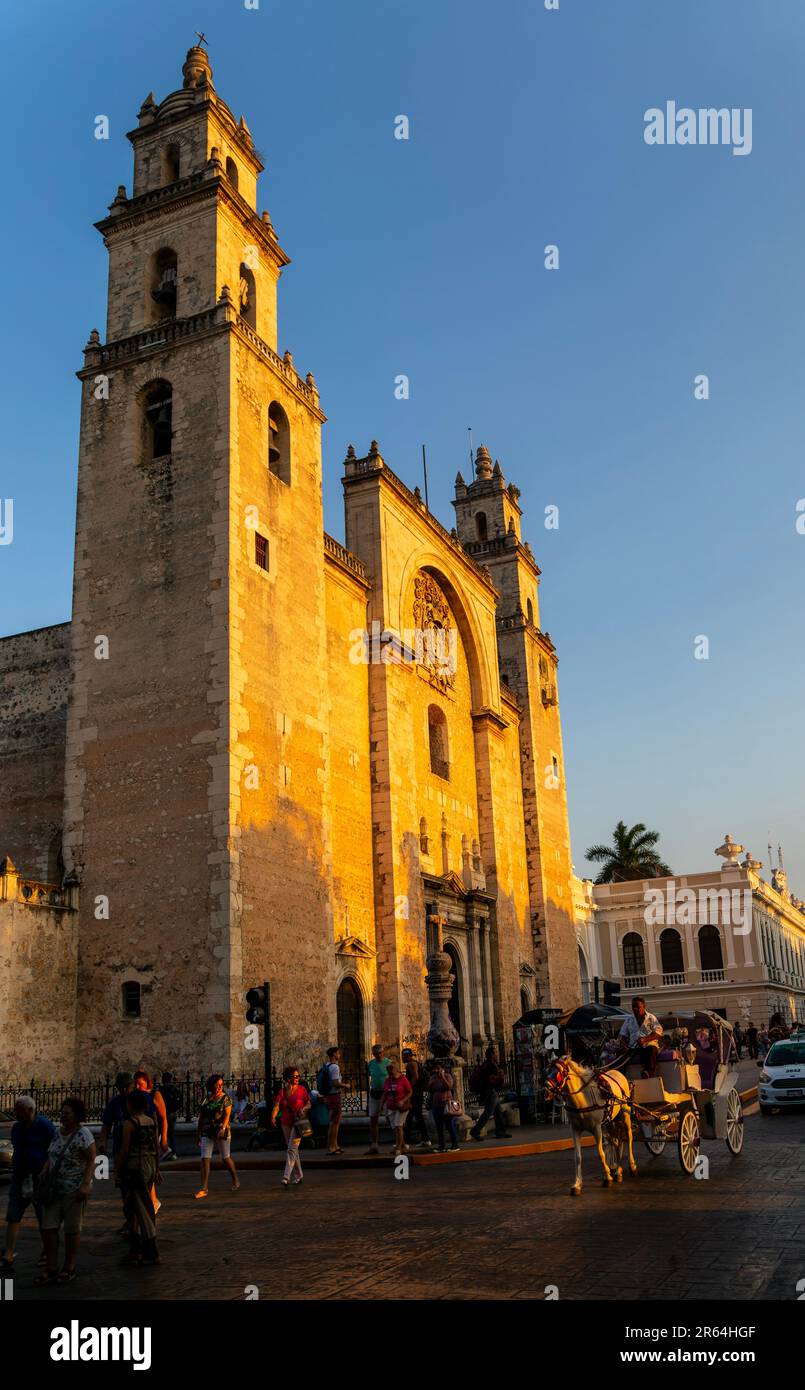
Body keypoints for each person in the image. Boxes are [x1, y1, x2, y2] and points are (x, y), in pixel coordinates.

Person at [34, 1097, 95, 1287]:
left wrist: (85, 1184)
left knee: (71, 1230)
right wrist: (45, 1168)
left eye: (67, 1113)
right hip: (54, 1188)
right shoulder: (57, 1133)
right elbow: (52, 1154)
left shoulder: (83, 1134)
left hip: (74, 1189)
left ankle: (69, 1266)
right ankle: (52, 1267)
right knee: (49, 1227)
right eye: (62, 1112)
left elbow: (92, 1159)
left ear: (76, 1115)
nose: (63, 1116)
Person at [1, 1096, 56, 1275]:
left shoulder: (45, 1126)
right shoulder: (17, 1128)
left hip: (40, 1177)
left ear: (31, 1111)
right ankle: (8, 1254)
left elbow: (54, 1150)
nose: (16, 1114)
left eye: (19, 1112)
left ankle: (47, 1252)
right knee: (13, 1214)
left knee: (43, 1216)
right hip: (20, 1176)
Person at [116, 1090, 161, 1265]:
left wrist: (118, 1170)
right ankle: (136, 1248)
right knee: (135, 1205)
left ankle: (151, 1250)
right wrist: (157, 1170)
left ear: (131, 1105)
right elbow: (156, 1148)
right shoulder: (150, 1121)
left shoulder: (130, 1123)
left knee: (141, 1207)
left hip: (135, 1166)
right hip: (150, 1164)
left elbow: (125, 1150)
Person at [195, 1074, 240, 1199]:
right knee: (205, 1158)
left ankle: (235, 1178)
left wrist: (223, 1128)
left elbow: (227, 1116)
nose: (220, 1087)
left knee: (225, 1158)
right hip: (207, 1131)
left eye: (221, 1084)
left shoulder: (225, 1099)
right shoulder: (207, 1099)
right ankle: (204, 1188)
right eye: (217, 1085)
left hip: (221, 1131)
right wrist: (198, 1133)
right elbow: (201, 1118)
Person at [270, 1065, 312, 1187]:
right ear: (288, 1079)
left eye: (298, 1076)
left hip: (298, 1122)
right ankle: (298, 1176)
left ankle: (286, 1176)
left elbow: (309, 1103)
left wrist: (304, 1108)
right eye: (295, 1076)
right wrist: (273, 1116)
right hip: (286, 1122)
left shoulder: (302, 1090)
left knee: (291, 1149)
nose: (298, 1078)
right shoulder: (282, 1091)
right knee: (293, 1149)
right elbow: (277, 1105)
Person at [469, 1045, 511, 1141]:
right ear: (492, 1054)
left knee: (498, 1111)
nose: (497, 1054)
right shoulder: (491, 1065)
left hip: (490, 1091)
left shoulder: (485, 1064)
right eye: (495, 1053)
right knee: (488, 1112)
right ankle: (475, 1131)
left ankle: (501, 1132)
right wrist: (501, 1075)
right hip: (490, 1091)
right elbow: (492, 1079)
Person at [617, 997, 663, 1077]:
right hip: (633, 1047)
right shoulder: (629, 1020)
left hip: (648, 1046)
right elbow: (622, 1036)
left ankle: (648, 1072)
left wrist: (645, 1039)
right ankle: (619, 1077)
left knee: (652, 1050)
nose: (635, 1009)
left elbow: (658, 1033)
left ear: (644, 1006)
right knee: (620, 1055)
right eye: (633, 1007)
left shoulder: (651, 1018)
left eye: (637, 1007)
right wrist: (624, 1046)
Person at [316, 1046, 346, 1155]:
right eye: (338, 1053)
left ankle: (335, 1145)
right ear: (334, 1054)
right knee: (334, 1123)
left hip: (328, 1096)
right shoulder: (334, 1067)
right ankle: (331, 1147)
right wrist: (345, 1085)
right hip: (334, 1096)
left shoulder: (327, 1066)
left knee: (334, 1122)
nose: (339, 1055)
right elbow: (335, 1083)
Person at [380, 1061, 412, 1155]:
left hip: (401, 1107)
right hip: (391, 1106)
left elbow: (410, 1091)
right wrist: (381, 1105)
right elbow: (385, 1094)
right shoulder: (387, 1080)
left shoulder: (403, 1079)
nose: (390, 1071)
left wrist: (403, 1100)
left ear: (397, 1069)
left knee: (398, 1126)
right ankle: (403, 1146)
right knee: (394, 1128)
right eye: (388, 1069)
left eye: (391, 1069)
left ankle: (398, 1147)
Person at [402, 1049, 431, 1149]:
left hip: (415, 1094)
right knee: (412, 1117)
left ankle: (405, 1141)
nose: (402, 1057)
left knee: (414, 1116)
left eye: (403, 1055)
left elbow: (415, 1077)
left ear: (407, 1056)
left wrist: (408, 1090)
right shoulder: (414, 1063)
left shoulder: (411, 1064)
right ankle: (423, 1139)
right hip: (416, 1093)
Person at [365, 1042, 391, 1154]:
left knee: (391, 1118)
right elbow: (370, 1075)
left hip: (386, 1094)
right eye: (375, 1054)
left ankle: (399, 1143)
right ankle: (374, 1144)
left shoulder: (389, 1063)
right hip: (374, 1093)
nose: (378, 1055)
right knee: (373, 1119)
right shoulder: (371, 1064)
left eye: (380, 1053)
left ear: (383, 1052)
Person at [428, 1063, 460, 1151]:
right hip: (436, 1105)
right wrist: (432, 1081)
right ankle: (441, 1146)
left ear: (442, 1069)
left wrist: (443, 1077)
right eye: (435, 1069)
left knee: (449, 1125)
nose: (436, 1070)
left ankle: (455, 1144)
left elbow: (449, 1087)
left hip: (446, 1105)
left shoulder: (448, 1076)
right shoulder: (433, 1078)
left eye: (438, 1068)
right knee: (439, 1127)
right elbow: (429, 1089)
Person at [158, 1072, 182, 1160]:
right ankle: (173, 1153)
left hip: (164, 1113)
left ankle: (165, 1151)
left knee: (162, 1134)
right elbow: (180, 1101)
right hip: (172, 1113)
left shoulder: (161, 1090)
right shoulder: (174, 1089)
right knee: (171, 1134)